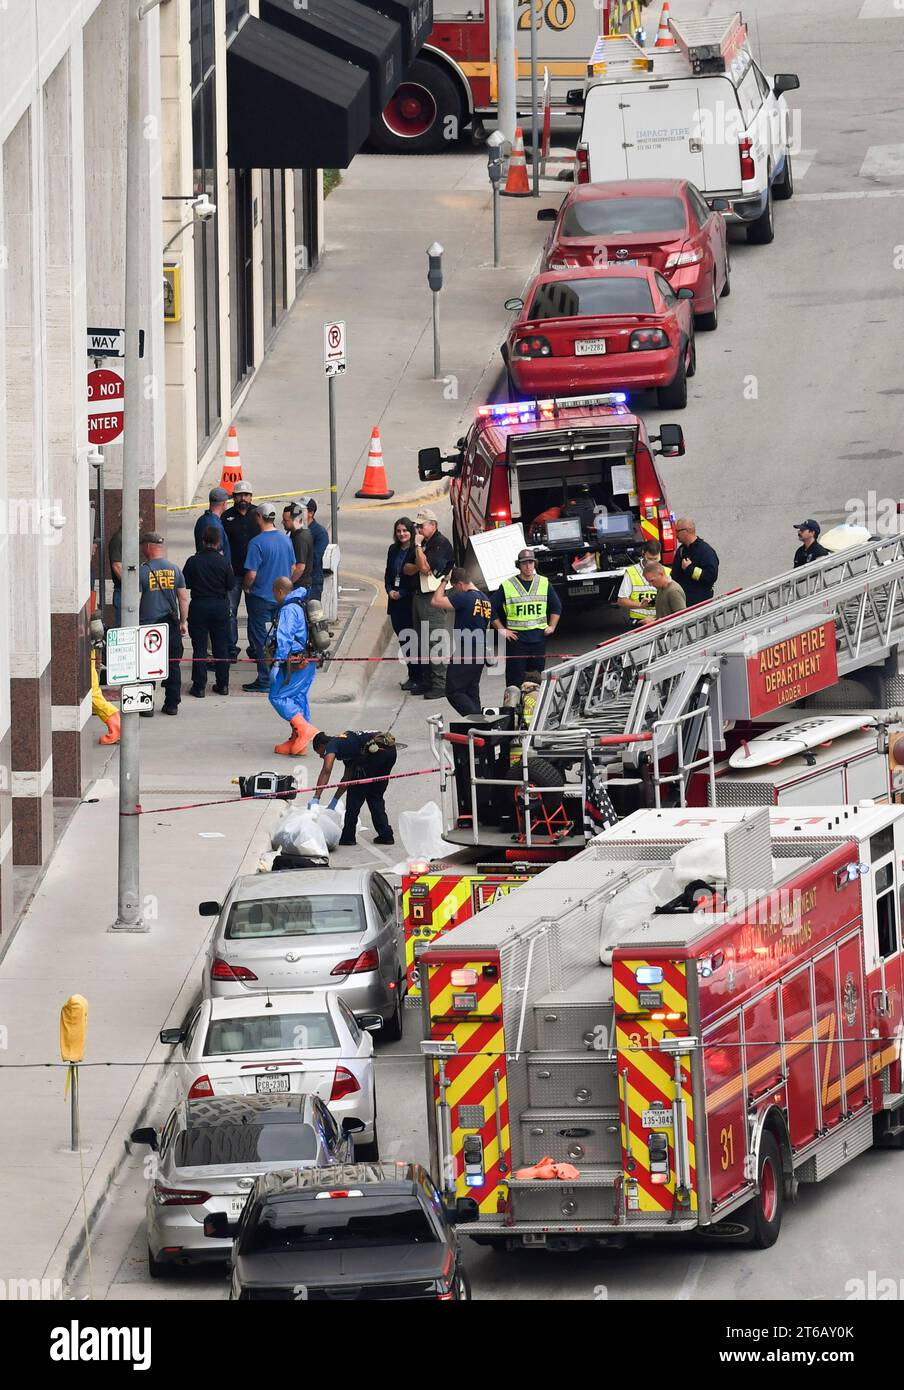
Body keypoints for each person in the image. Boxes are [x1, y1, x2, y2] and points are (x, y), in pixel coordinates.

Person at [242, 502, 296, 692]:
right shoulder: (286, 540)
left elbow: (251, 574)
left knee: (261, 640)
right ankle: (282, 675)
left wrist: (246, 588)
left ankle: (265, 679)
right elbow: (292, 568)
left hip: (261, 598)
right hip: (281, 599)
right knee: (280, 638)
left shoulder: (256, 543)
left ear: (259, 518)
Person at [311, 729, 397, 847]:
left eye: (320, 753)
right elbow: (347, 779)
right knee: (375, 795)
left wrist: (316, 796)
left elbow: (326, 769)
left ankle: (348, 837)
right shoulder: (346, 745)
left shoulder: (332, 744)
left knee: (354, 797)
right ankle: (386, 835)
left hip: (376, 753)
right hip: (389, 751)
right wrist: (335, 800)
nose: (321, 756)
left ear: (322, 745)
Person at [492, 547, 562, 686]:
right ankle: (515, 707)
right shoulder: (507, 585)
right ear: (519, 565)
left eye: (531, 562)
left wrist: (552, 626)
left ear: (535, 564)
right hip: (517, 641)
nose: (528, 566)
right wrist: (501, 629)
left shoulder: (543, 583)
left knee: (536, 681)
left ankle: (533, 707)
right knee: (515, 682)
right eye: (524, 563)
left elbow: (556, 606)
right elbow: (489, 608)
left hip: (538, 639)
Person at [267, 576, 319, 756]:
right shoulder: (301, 604)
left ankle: (304, 730)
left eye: (274, 593)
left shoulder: (288, 609)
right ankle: (298, 742)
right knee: (298, 697)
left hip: (294, 662)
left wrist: (277, 662)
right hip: (308, 660)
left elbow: (284, 638)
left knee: (277, 696)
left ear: (280, 591)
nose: (274, 596)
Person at [139, 531, 188, 716]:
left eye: (143, 545)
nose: (142, 549)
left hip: (149, 627)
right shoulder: (174, 569)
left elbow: (135, 601)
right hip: (171, 624)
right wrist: (183, 622)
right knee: (173, 664)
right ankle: (172, 704)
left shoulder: (143, 571)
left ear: (149, 547)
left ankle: (146, 706)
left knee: (147, 666)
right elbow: (183, 598)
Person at [431, 567, 492, 717]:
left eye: (455, 587)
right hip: (480, 650)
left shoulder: (465, 598)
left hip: (467, 650)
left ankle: (479, 722)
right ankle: (479, 730)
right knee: (471, 690)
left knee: (453, 690)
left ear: (459, 584)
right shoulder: (484, 599)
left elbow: (435, 601)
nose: (456, 591)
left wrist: (445, 580)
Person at [408, 507, 455, 698]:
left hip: (434, 596)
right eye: (417, 526)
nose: (418, 530)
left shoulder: (440, 543)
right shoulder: (426, 543)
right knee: (422, 640)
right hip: (420, 594)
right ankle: (428, 680)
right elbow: (408, 568)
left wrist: (418, 548)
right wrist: (419, 561)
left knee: (435, 639)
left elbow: (426, 568)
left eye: (421, 526)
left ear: (433, 525)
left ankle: (441, 683)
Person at [182, 525, 233, 696]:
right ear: (218, 542)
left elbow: (186, 583)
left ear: (203, 541)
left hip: (199, 605)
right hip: (220, 606)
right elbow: (231, 585)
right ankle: (223, 684)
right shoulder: (224, 562)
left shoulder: (193, 561)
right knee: (221, 646)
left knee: (199, 647)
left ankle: (199, 686)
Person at [222, 481, 258, 660]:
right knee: (230, 612)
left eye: (246, 495)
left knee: (255, 612)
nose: (243, 498)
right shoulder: (226, 517)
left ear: (251, 497)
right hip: (233, 573)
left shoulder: (259, 515)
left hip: (254, 574)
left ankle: (255, 647)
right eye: (239, 495)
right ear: (234, 497)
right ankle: (231, 648)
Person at [385, 516, 419, 691]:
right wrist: (390, 590)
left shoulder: (415, 551)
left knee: (412, 640)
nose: (402, 534)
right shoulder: (393, 549)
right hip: (395, 602)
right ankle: (411, 674)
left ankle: (417, 676)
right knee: (404, 641)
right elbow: (387, 574)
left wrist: (402, 593)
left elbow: (416, 579)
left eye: (405, 530)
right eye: (398, 531)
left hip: (409, 602)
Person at [616, 541, 671, 623]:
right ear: (643, 554)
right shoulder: (631, 572)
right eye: (649, 559)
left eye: (655, 559)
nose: (652, 562)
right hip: (639, 622)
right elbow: (621, 601)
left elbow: (671, 597)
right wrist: (640, 605)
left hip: (660, 620)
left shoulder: (666, 572)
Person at [673, 518, 719, 608]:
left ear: (687, 531)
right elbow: (675, 576)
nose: (675, 535)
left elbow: (710, 577)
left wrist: (690, 569)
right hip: (683, 602)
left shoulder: (705, 551)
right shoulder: (681, 550)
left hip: (699, 605)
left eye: (677, 531)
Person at [193, 486, 232, 566]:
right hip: (213, 572)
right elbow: (218, 554)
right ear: (224, 504)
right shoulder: (215, 525)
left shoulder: (202, 519)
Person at [283, 502, 313, 591]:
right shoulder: (300, 532)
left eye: (286, 520)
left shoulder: (300, 538)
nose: (282, 522)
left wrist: (288, 584)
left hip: (299, 586)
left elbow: (300, 568)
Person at [305, 499, 329, 601]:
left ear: (311, 513)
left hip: (312, 582)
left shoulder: (319, 532)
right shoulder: (295, 529)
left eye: (300, 510)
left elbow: (315, 558)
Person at [108, 526, 122, 626]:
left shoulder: (129, 538)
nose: (141, 520)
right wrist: (130, 587)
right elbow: (116, 565)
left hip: (128, 592)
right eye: (139, 517)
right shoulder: (118, 539)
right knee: (123, 628)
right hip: (123, 592)